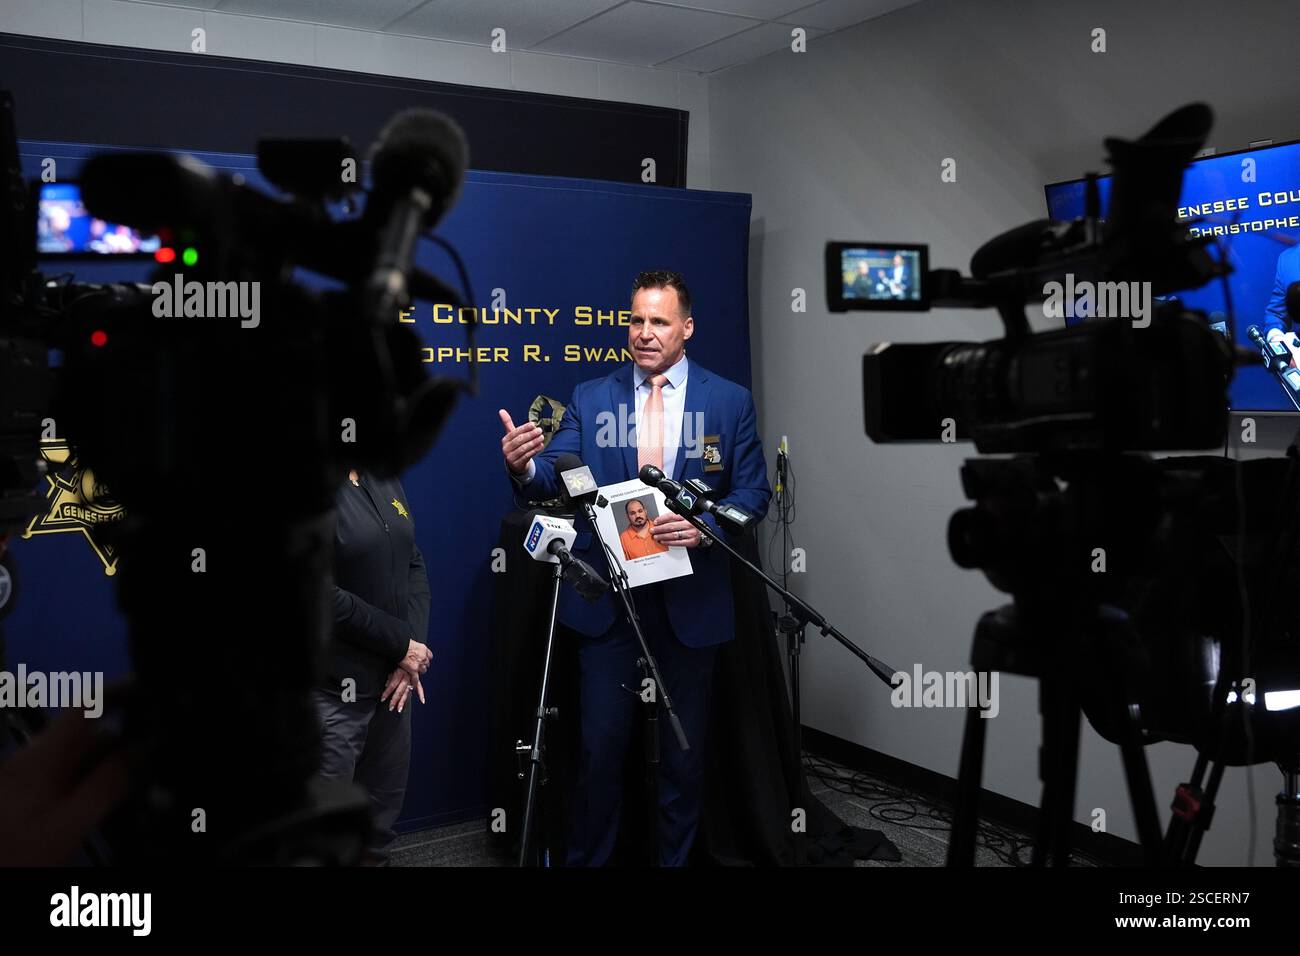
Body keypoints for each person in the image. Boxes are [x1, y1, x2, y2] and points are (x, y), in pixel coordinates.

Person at [499, 269, 770, 866]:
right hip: (610, 605)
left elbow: (753, 495)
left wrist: (708, 527)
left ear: (686, 328)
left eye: (659, 321)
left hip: (689, 606)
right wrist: (525, 468)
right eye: (636, 320)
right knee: (598, 752)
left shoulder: (728, 401)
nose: (644, 333)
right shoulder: (592, 397)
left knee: (685, 757)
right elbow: (561, 476)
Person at [315, 467, 432, 865]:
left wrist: (410, 651)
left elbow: (412, 562)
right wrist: (400, 643)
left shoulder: (380, 473)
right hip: (330, 696)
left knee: (377, 831)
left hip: (394, 687)